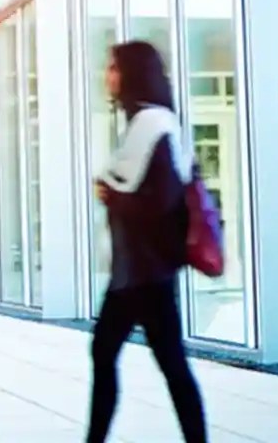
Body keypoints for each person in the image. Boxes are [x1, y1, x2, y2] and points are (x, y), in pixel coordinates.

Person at [87, 41, 206, 443]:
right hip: (136, 270)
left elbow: (164, 198)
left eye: (114, 67)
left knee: (160, 362)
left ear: (133, 73)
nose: (108, 75)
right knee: (126, 356)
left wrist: (113, 196)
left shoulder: (153, 126)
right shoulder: (144, 123)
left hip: (146, 271)